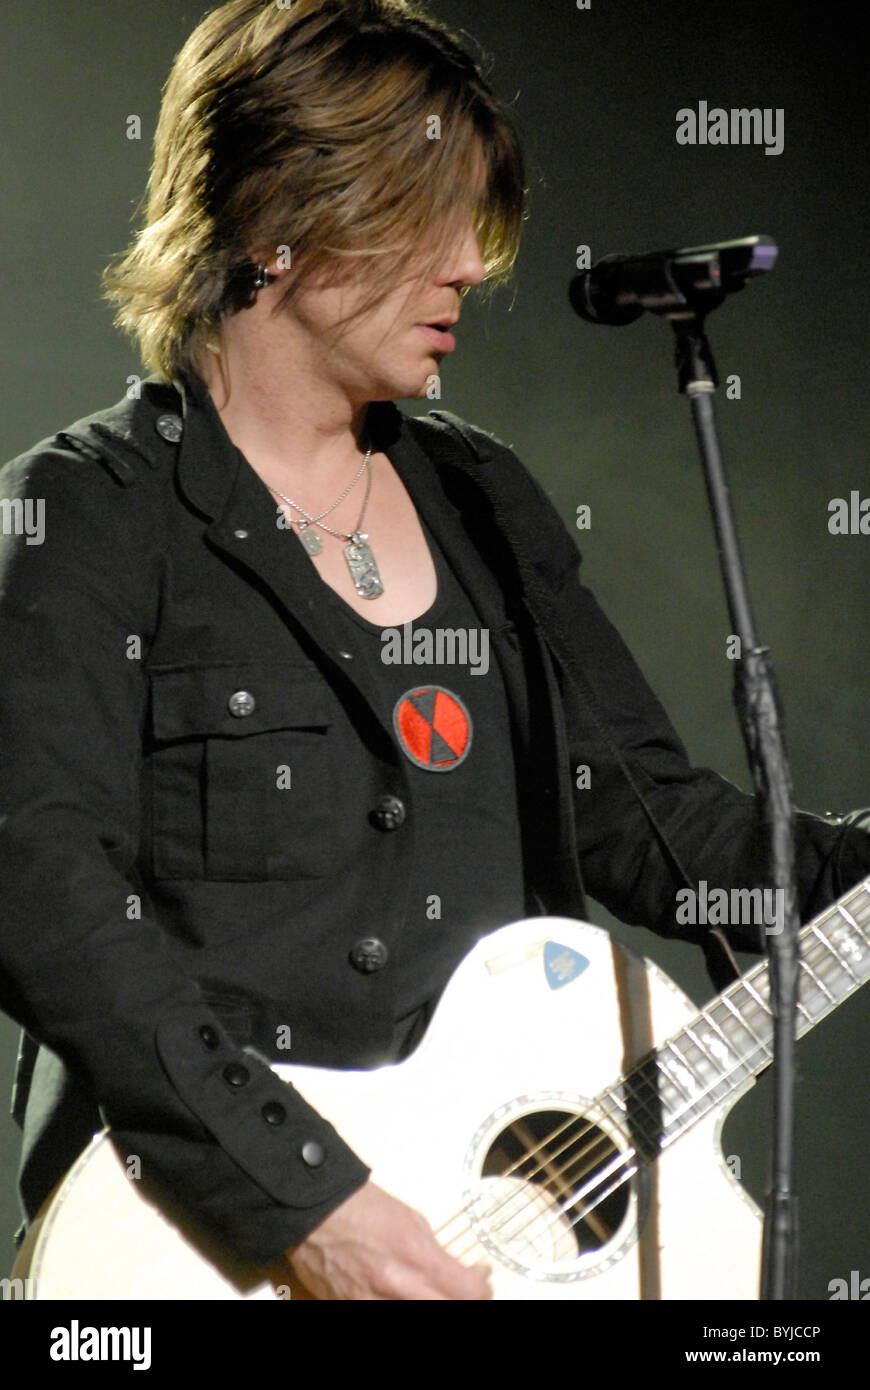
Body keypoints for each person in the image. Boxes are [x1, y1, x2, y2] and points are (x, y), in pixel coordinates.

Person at [1, 0, 868, 1303]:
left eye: (480, 219)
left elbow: (649, 823)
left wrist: (844, 866)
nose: (471, 262)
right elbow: (41, 892)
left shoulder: (485, 499)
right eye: (425, 218)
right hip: (202, 1253)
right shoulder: (84, 514)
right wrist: (310, 1203)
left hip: (504, 1249)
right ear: (272, 223)